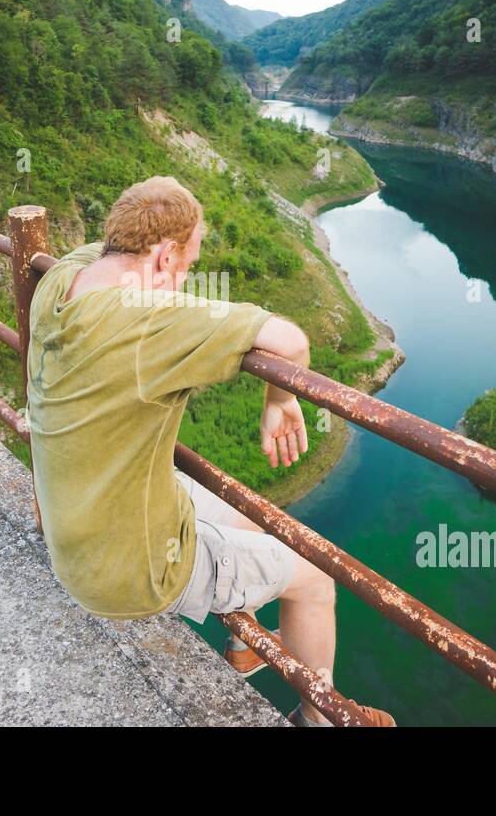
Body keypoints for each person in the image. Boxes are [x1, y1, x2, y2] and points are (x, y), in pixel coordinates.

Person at [26, 175, 393, 727]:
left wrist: (160, 207)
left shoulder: (59, 281)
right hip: (131, 573)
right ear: (166, 254)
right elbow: (289, 340)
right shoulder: (148, 322)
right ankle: (319, 719)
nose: (187, 279)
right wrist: (280, 398)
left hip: (74, 533)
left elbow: (109, 249)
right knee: (318, 579)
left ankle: (249, 643)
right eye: (189, 265)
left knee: (251, 519)